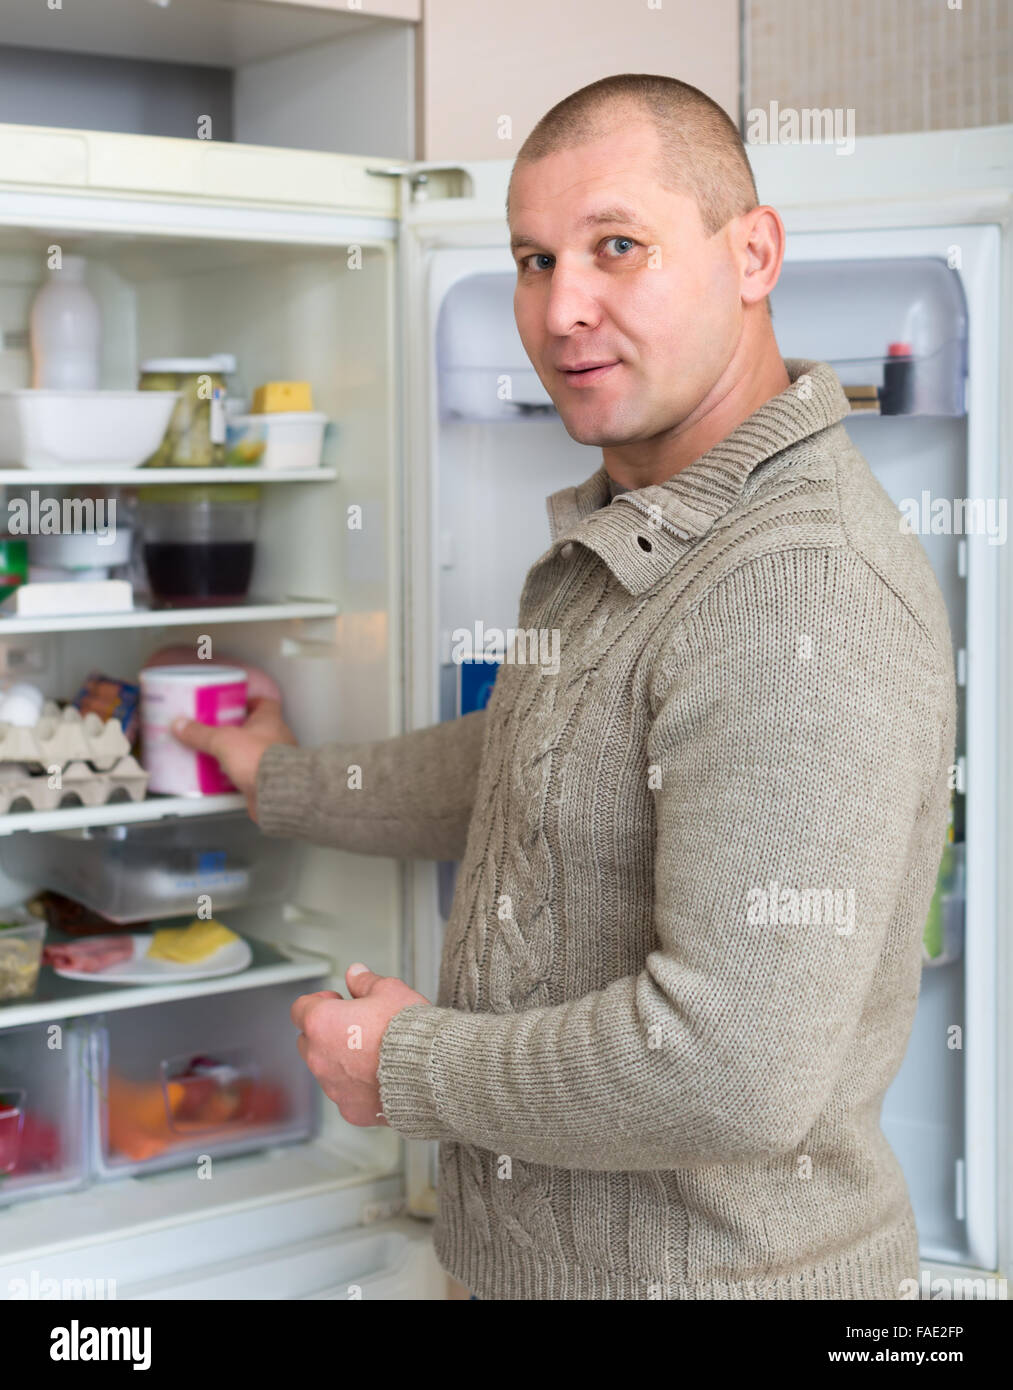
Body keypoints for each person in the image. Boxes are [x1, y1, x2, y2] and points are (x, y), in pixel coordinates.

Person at [172, 73, 955, 1301]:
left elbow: (729, 1065)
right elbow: (533, 762)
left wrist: (406, 1065)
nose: (561, 309)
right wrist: (279, 778)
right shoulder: (647, 527)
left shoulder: (794, 591)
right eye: (533, 260)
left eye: (617, 248)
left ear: (751, 253)